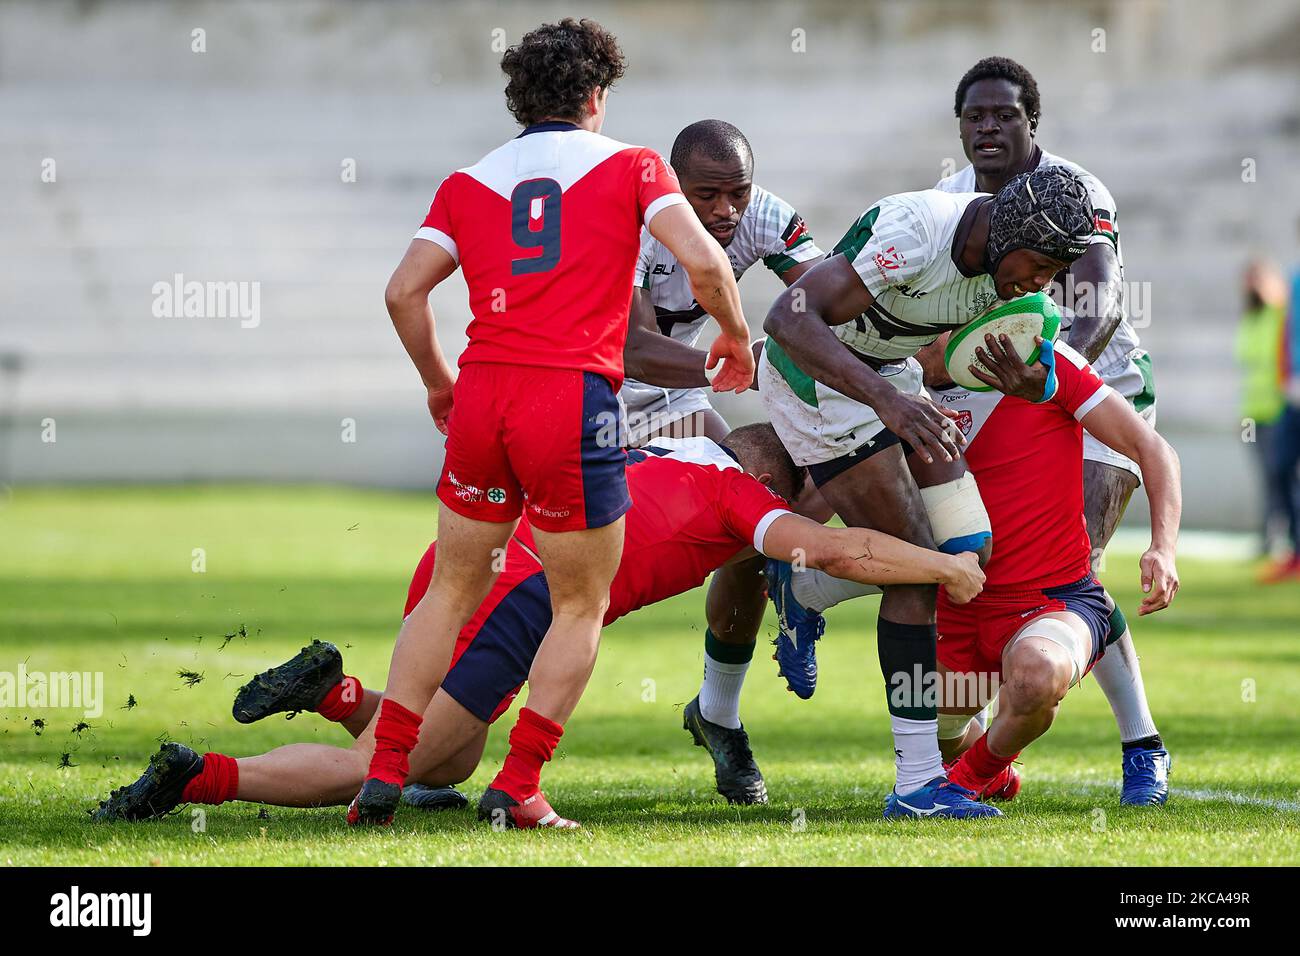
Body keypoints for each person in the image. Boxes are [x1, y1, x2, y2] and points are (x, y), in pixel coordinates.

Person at [91, 426, 987, 828]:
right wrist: (946, 565)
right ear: (770, 479)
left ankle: (337, 691)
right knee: (387, 776)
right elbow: (842, 554)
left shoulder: (667, 450)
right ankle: (197, 777)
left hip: (462, 568)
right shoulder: (735, 493)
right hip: (520, 600)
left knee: (447, 759)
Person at [360, 19, 755, 826]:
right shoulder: (633, 164)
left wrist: (440, 384)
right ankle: (519, 784)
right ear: (596, 96)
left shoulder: (468, 179)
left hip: (482, 394)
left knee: (451, 587)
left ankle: (386, 770)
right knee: (581, 601)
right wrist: (736, 341)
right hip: (569, 399)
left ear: (518, 97)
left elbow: (403, 292)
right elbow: (708, 264)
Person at [759, 165, 1095, 818]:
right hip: (816, 385)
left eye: (1054, 274)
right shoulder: (915, 231)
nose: (1039, 283)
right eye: (1041, 265)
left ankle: (801, 584)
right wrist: (890, 401)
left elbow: (1046, 366)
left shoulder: (1011, 275)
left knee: (969, 547)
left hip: (890, 380)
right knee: (918, 573)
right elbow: (787, 316)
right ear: (1010, 233)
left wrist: (1035, 385)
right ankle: (917, 787)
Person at [933, 55, 1170, 803]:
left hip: (1094, 386)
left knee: (1076, 571)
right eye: (977, 116)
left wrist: (1047, 390)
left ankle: (1142, 744)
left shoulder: (1075, 190)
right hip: (1005, 390)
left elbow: (1094, 308)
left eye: (1006, 114)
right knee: (980, 564)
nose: (990, 128)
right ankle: (982, 752)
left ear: (1033, 122)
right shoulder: (948, 198)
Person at [618, 119, 827, 803]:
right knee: (544, 577)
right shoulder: (630, 220)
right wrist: (743, 362)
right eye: (706, 195)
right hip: (582, 399)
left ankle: (718, 715)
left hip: (673, 399)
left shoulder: (764, 215)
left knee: (749, 520)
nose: (725, 212)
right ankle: (418, 736)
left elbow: (833, 301)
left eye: (736, 192)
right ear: (674, 188)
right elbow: (635, 350)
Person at [906, 327, 1181, 801]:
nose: (913, 342)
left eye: (927, 330)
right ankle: (992, 771)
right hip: (956, 603)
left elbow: (1153, 448)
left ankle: (967, 782)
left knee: (1035, 679)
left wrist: (1163, 547)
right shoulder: (896, 383)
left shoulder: (1041, 362)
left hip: (1047, 601)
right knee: (926, 720)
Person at [1235, 260, 1291, 571]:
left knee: (1280, 473)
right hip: (1252, 412)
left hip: (1277, 409)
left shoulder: (1280, 315)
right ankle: (1269, 536)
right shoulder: (1250, 318)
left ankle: (1283, 537)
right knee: (1265, 476)